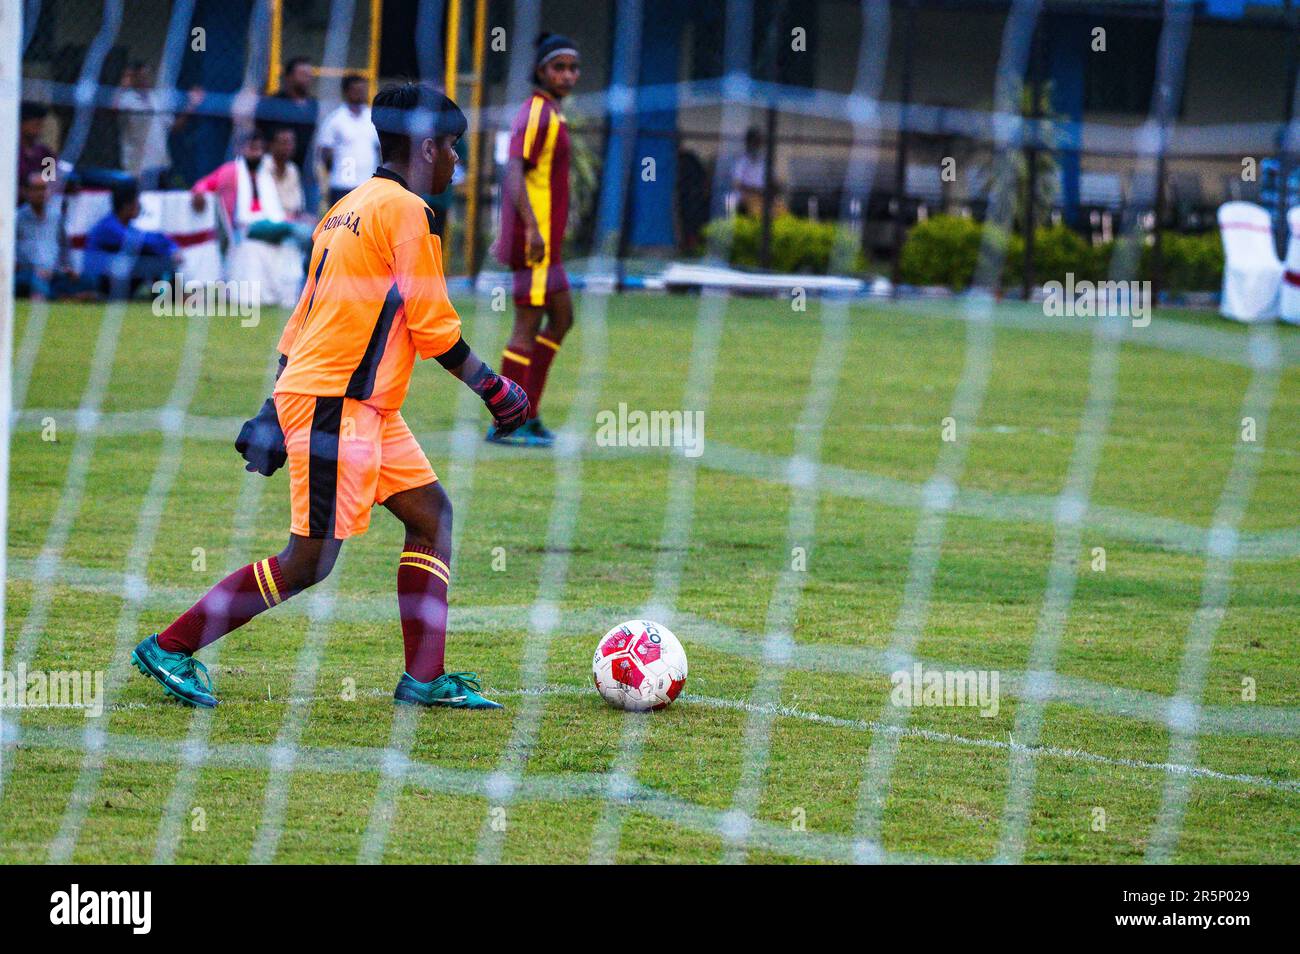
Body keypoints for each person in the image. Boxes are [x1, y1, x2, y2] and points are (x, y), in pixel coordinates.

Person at [130, 82, 529, 711]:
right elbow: (432, 326)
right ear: (426, 147)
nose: (458, 160)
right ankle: (171, 646)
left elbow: (303, 318)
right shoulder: (407, 212)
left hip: (360, 405)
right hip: (334, 405)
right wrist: (495, 388)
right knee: (309, 561)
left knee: (432, 518)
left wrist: (271, 406)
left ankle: (425, 677)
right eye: (453, 148)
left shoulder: (344, 208)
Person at [491, 32, 580, 448]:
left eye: (572, 68)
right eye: (558, 67)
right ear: (541, 71)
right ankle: (508, 422)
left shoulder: (554, 113)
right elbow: (513, 170)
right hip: (536, 241)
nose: (566, 74)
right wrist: (531, 228)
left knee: (562, 318)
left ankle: (531, 411)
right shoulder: (537, 113)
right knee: (526, 326)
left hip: (550, 245)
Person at [82, 181, 180, 299]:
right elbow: (145, 241)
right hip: (99, 281)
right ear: (126, 205)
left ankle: (170, 295)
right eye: (136, 201)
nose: (140, 205)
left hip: (116, 277)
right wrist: (169, 251)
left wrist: (173, 249)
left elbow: (156, 237)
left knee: (153, 255)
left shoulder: (126, 226)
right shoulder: (108, 227)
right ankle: (172, 296)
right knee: (148, 253)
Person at [257, 56, 320, 212]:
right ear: (289, 77)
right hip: (279, 171)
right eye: (302, 74)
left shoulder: (313, 104)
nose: (307, 78)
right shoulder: (273, 103)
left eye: (309, 75)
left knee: (309, 216)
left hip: (305, 171)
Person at [318, 73, 380, 207]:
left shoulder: (372, 117)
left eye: (363, 90)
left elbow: (378, 148)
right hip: (342, 184)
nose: (360, 94)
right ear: (346, 92)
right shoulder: (335, 119)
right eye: (356, 90)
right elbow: (325, 152)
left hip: (368, 184)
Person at [14, 171, 76, 299]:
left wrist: (68, 267)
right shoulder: (16, 219)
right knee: (35, 283)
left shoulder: (57, 217)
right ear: (26, 191)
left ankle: (63, 296)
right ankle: (62, 297)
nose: (41, 193)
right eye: (36, 189)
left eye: (44, 189)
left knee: (89, 280)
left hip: (54, 272)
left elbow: (65, 247)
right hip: (27, 273)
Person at [115, 61, 173, 186]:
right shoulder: (127, 98)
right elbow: (112, 111)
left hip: (160, 164)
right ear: (134, 78)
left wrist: (191, 106)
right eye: (142, 76)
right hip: (137, 167)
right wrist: (123, 85)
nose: (146, 80)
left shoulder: (156, 98)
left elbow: (172, 125)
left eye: (148, 76)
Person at [18, 102, 57, 190]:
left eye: (41, 125)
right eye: (36, 124)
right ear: (21, 124)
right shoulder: (8, 152)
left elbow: (52, 181)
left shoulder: (45, 153)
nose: (39, 129)